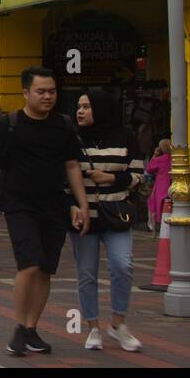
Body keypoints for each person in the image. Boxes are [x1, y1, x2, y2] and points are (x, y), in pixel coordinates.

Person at [0, 66, 90, 356]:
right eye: (41, 91)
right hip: (18, 206)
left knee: (47, 269)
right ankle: (19, 326)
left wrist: (83, 204)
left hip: (55, 207)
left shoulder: (63, 125)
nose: (47, 96)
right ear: (26, 92)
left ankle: (31, 328)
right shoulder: (9, 124)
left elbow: (72, 165)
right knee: (30, 264)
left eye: (52, 91)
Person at [71, 88, 144, 352]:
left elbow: (138, 174)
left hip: (116, 215)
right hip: (84, 217)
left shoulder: (125, 137)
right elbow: (64, 177)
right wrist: (71, 206)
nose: (80, 111)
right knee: (87, 272)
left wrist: (112, 178)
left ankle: (118, 324)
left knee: (122, 265)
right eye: (79, 106)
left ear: (101, 108)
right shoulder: (73, 138)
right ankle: (93, 328)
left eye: (87, 106)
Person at [144, 139, 172, 233]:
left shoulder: (159, 159)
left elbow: (149, 169)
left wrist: (155, 155)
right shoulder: (175, 158)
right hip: (172, 185)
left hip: (161, 186)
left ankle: (154, 227)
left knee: (154, 204)